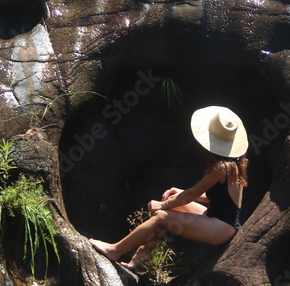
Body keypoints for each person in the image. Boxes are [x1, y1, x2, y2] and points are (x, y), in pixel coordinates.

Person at [89, 105, 249, 271]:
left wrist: (163, 205)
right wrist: (177, 195)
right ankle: (145, 252)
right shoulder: (235, 163)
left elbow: (192, 194)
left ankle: (116, 250)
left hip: (222, 227)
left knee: (161, 216)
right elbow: (216, 199)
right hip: (218, 218)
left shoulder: (222, 167)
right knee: (172, 201)